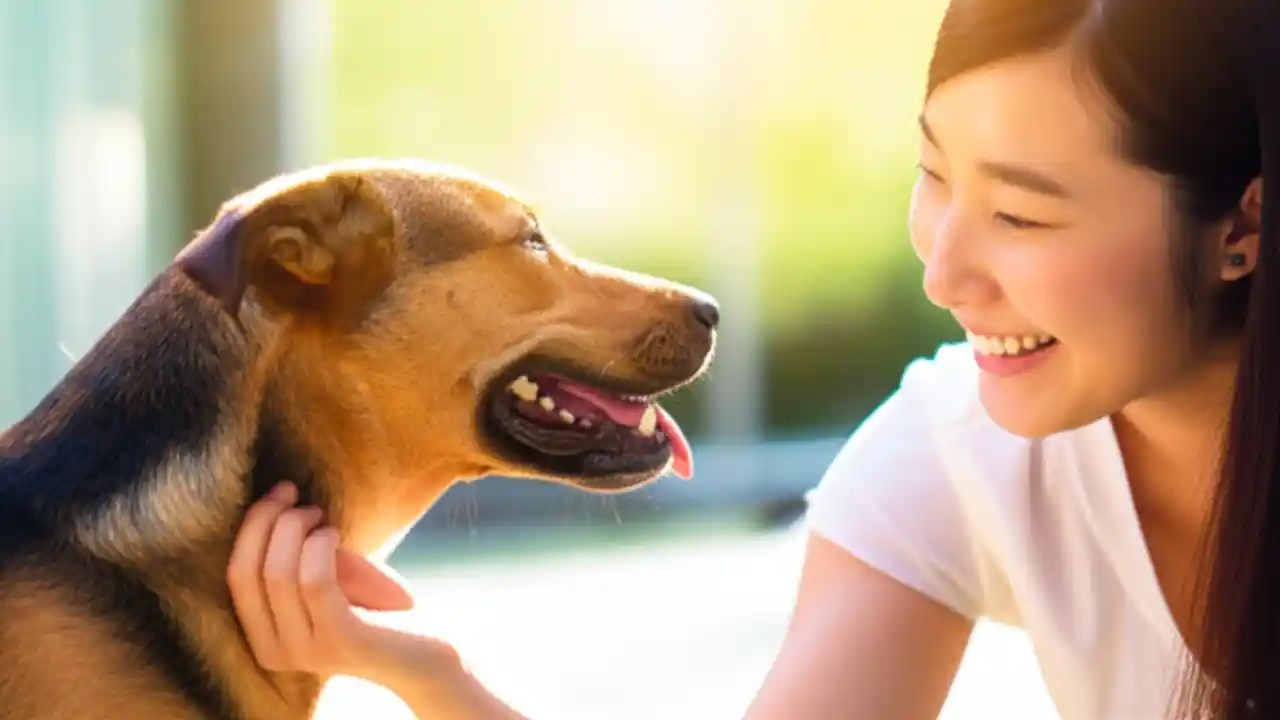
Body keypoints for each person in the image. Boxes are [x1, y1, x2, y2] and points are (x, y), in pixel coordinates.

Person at [226, 0, 1280, 717]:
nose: (944, 274)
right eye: (932, 174)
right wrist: (431, 681)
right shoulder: (958, 449)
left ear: (1241, 227)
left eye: (1019, 215)